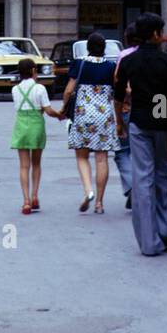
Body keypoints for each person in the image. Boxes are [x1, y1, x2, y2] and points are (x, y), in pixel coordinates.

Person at [113, 13, 167, 256]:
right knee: (162, 174)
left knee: (142, 178)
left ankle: (148, 241)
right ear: (154, 34)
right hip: (160, 118)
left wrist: (119, 122)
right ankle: (165, 229)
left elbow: (119, 94)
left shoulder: (129, 62)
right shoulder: (166, 61)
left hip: (138, 121)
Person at [60, 32, 119, 212]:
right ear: (104, 49)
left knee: (82, 156)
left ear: (88, 48)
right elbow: (118, 91)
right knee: (102, 158)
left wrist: (63, 108)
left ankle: (88, 191)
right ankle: (99, 203)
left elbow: (69, 90)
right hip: (104, 116)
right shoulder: (111, 66)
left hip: (83, 114)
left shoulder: (79, 64)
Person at [11, 57, 60, 213]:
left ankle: (25, 201)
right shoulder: (40, 89)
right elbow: (48, 110)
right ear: (33, 71)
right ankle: (34, 196)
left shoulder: (15, 89)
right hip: (36, 125)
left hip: (20, 125)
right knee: (36, 163)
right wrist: (59, 114)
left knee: (24, 166)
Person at [113, 24, 138, 209]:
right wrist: (160, 113)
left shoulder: (123, 56)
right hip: (150, 112)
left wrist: (119, 120)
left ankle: (131, 187)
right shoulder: (159, 57)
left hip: (128, 109)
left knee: (123, 151)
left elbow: (118, 87)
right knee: (144, 153)